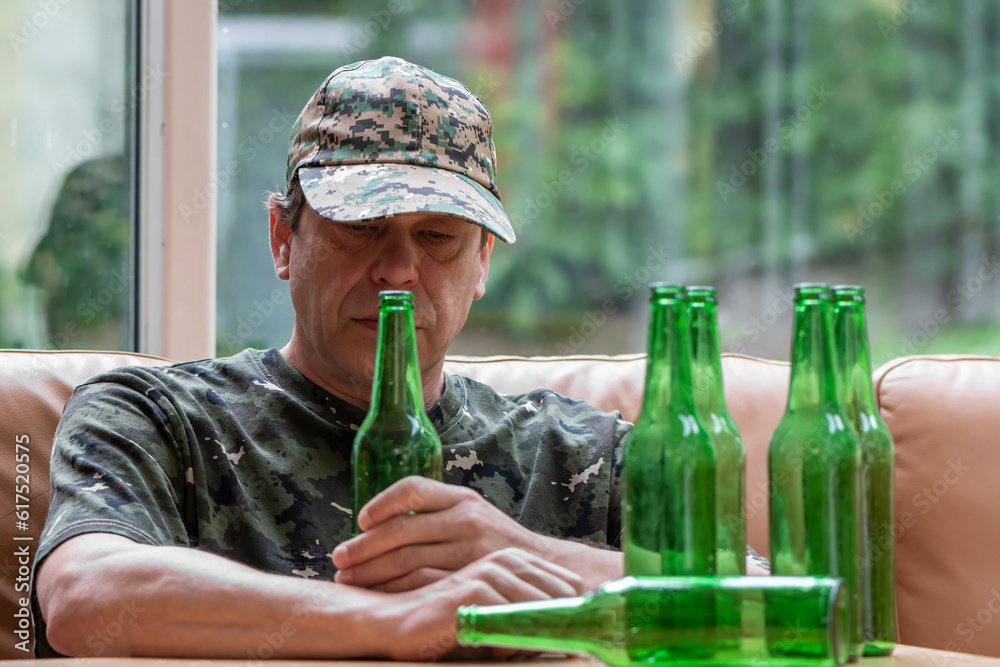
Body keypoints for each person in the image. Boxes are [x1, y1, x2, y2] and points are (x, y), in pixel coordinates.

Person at [32, 57, 766, 660]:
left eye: (438, 236)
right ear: (282, 241)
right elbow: (82, 598)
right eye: (361, 226)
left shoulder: (586, 454)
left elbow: (764, 609)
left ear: (482, 263)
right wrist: (393, 622)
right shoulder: (156, 417)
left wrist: (513, 552)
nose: (396, 270)